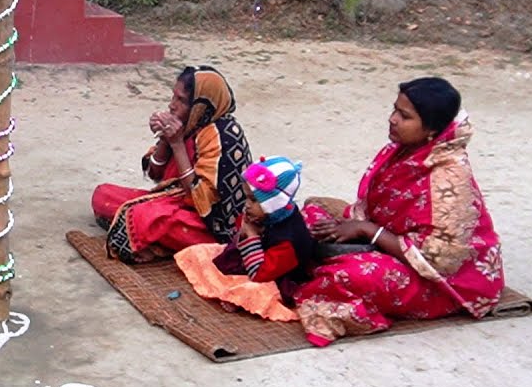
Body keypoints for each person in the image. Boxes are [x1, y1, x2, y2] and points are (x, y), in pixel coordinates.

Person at [296, 77, 504, 346]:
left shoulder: (448, 179)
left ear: (431, 129)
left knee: (346, 276)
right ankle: (314, 265)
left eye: (404, 116)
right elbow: (376, 210)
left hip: (441, 281)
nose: (392, 119)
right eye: (395, 110)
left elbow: (438, 261)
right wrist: (361, 228)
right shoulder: (404, 149)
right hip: (390, 241)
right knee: (310, 215)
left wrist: (367, 231)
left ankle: (315, 273)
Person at [92, 65, 252, 263]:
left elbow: (200, 202)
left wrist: (177, 144)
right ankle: (156, 239)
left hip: (212, 227)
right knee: (103, 194)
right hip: (174, 203)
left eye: (181, 100)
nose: (172, 106)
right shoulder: (191, 124)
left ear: (200, 106)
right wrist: (165, 139)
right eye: (173, 97)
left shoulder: (225, 136)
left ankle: (162, 243)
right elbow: (155, 174)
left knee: (141, 217)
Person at [213, 156, 318, 307]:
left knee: (254, 290)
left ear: (273, 203)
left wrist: (251, 235)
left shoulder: (287, 240)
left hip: (278, 277)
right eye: (247, 198)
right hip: (263, 261)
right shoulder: (272, 213)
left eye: (253, 200)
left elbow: (259, 275)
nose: (247, 205)